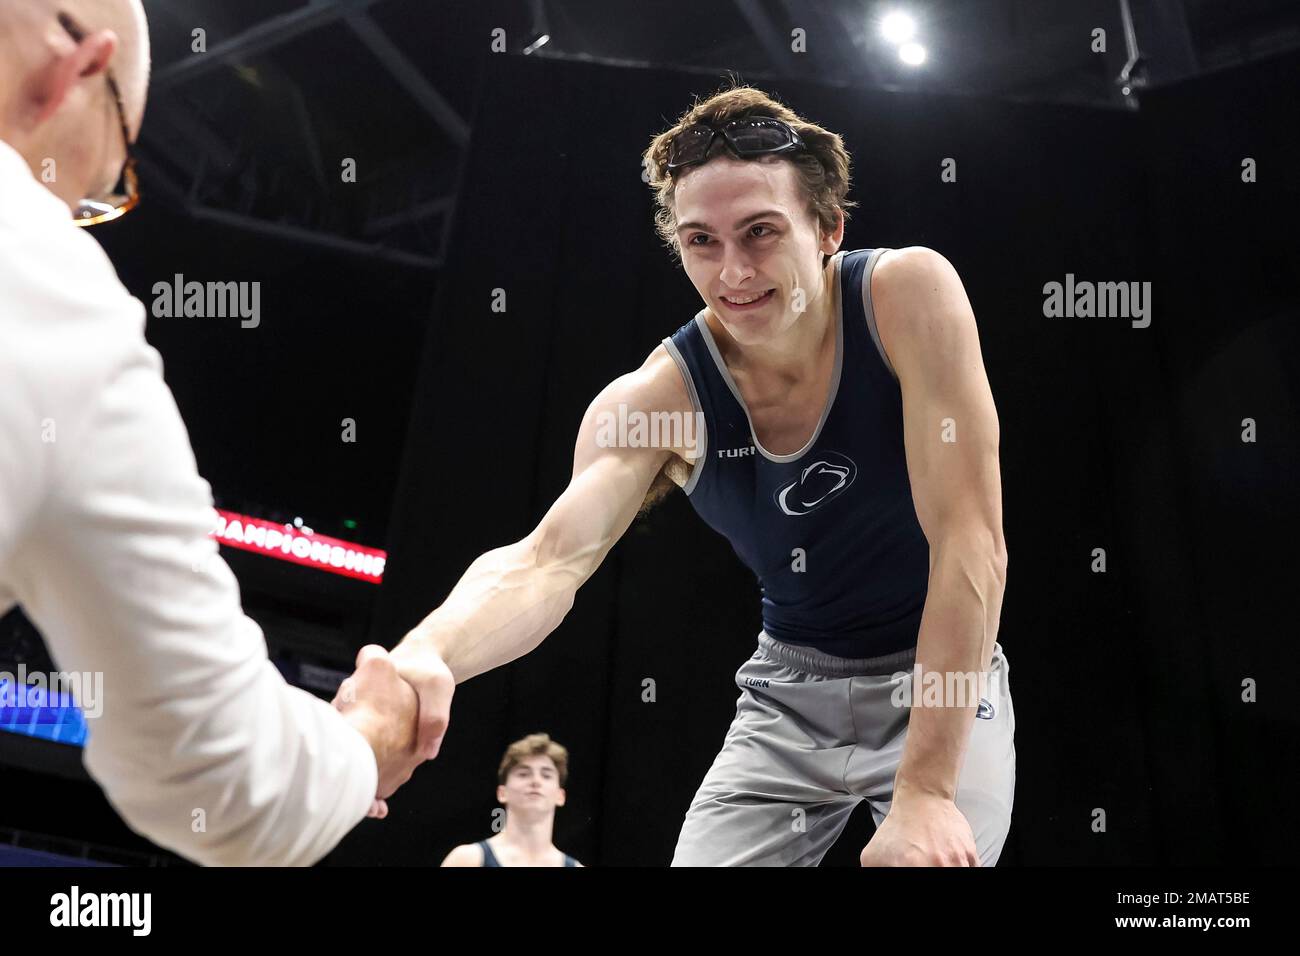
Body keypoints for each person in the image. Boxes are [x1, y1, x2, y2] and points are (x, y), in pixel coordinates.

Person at [390, 83, 1013, 866]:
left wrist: (924, 790)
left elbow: (971, 542)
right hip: (790, 694)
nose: (734, 271)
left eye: (759, 232)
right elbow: (547, 562)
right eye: (701, 241)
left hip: (942, 675)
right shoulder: (659, 399)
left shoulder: (906, 295)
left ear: (828, 228)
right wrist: (427, 652)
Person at [0, 0, 438, 866]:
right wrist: (367, 742)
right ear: (77, 67)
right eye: (99, 192)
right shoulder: (50, 282)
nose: (83, 215)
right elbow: (223, 780)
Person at [441, 733, 582, 867]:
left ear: (560, 796)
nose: (535, 781)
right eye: (523, 774)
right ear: (502, 793)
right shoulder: (468, 859)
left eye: (546, 775)